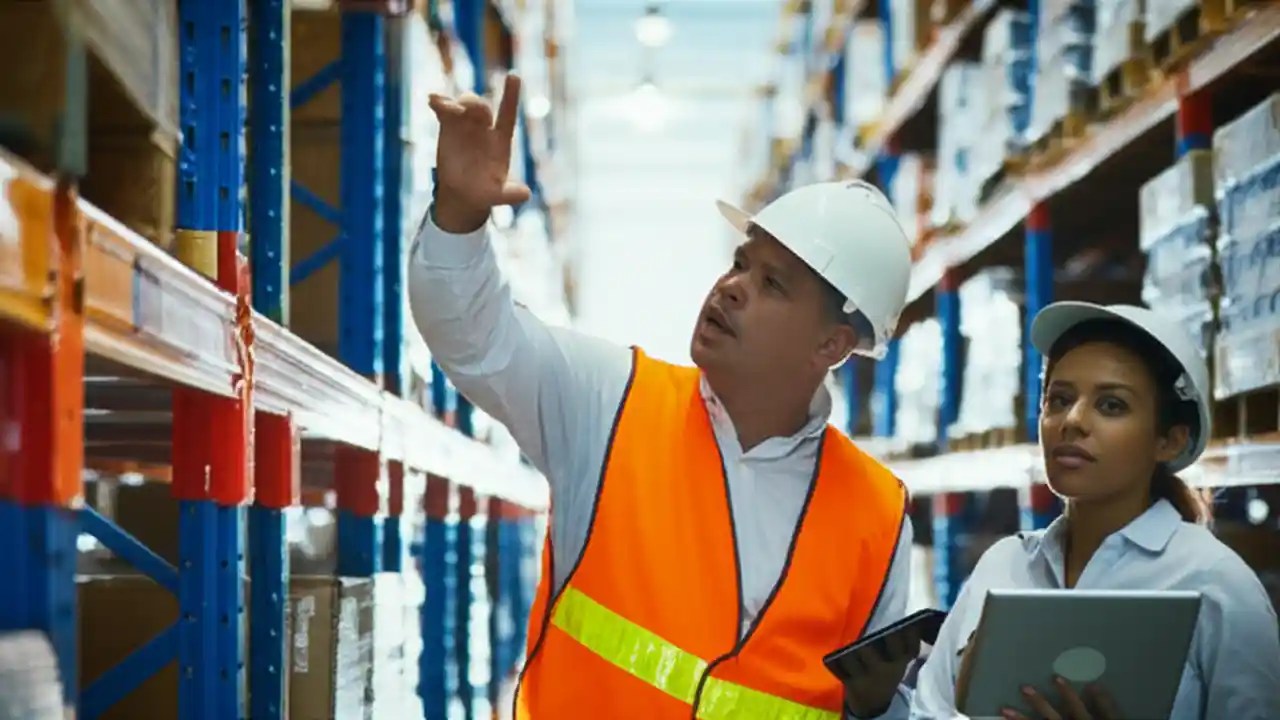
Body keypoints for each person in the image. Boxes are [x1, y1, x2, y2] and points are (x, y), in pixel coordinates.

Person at [411, 73, 923, 719]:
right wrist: (459, 218)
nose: (731, 287)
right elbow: (474, 339)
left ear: (833, 346)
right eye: (740, 262)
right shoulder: (610, 401)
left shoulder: (877, 511)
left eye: (773, 284)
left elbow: (882, 703)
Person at [909, 301, 1280, 720]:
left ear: (1170, 441)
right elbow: (927, 712)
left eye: (1111, 406)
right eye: (1059, 400)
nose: (1073, 420)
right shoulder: (1004, 566)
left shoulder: (1214, 585)